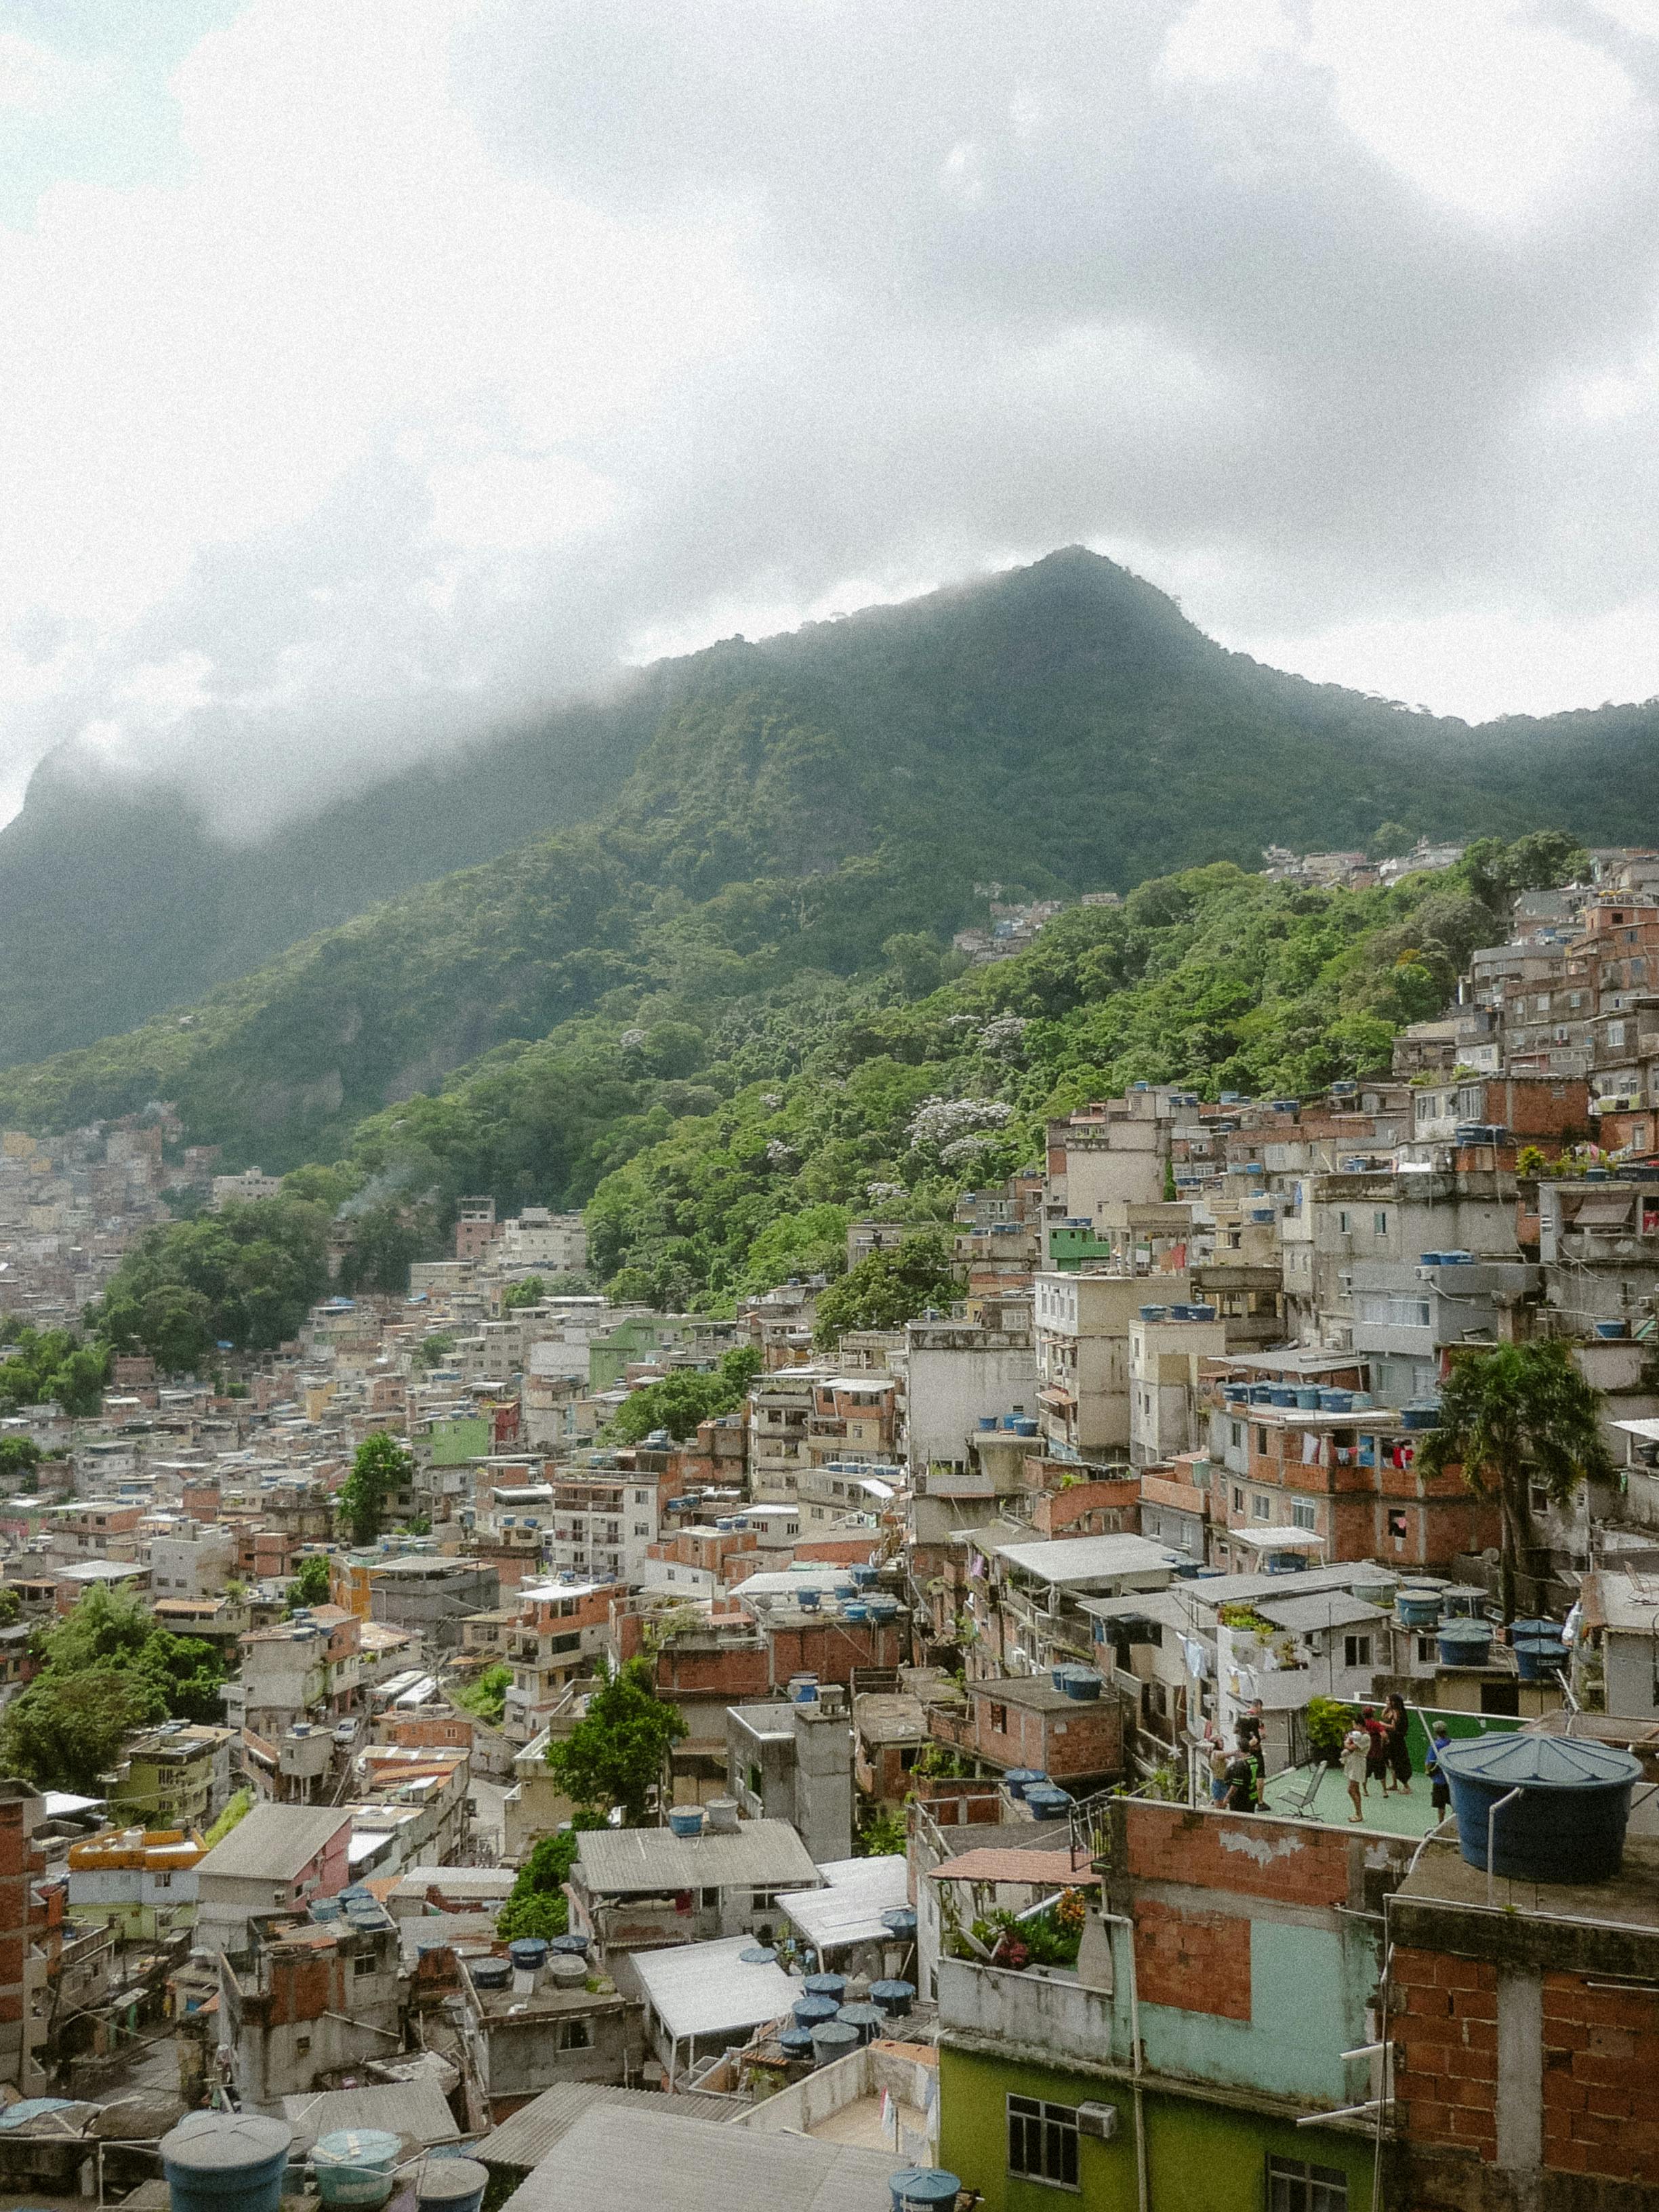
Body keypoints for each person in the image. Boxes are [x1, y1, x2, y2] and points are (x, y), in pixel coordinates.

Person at [1384, 1692, 1414, 1794]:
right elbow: (1384, 1715)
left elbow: (1393, 1727)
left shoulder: (1397, 1713)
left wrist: (1381, 1725)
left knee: (1398, 1763)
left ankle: (1406, 1787)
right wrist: (1388, 1707)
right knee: (1391, 1762)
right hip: (1393, 1741)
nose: (1388, 1702)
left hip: (1396, 1742)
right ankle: (1395, 1784)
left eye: (1389, 1701)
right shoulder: (1394, 1711)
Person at [1340, 1718, 1370, 1822]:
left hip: (1358, 1764)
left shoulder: (1365, 1737)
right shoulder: (1357, 1735)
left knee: (1351, 1789)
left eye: (1355, 1725)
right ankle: (1358, 1813)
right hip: (1353, 1762)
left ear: (1360, 1725)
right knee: (1355, 1789)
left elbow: (1350, 1747)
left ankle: (1359, 1814)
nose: (1354, 1728)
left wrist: (1347, 1742)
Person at [1426, 1722, 1452, 1820]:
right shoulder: (1451, 1743)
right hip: (1451, 1779)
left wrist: (1429, 1772)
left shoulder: (1435, 1746)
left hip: (1439, 1780)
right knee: (1453, 1803)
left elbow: (1429, 1763)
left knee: (1441, 1805)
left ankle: (1441, 1823)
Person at [1361, 1705, 1389, 1795]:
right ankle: (1384, 1791)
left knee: (1365, 1773)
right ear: (1372, 1714)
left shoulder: (1362, 1725)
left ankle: (1365, 1791)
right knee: (1381, 1773)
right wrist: (1386, 1741)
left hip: (1365, 1754)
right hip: (1377, 1753)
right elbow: (1384, 1735)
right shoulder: (1376, 1724)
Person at [1207, 1738, 1231, 1805]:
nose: (1223, 1742)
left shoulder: (1213, 1753)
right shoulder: (1217, 1753)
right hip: (1220, 1782)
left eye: (1223, 1740)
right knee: (1221, 1804)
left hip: (1222, 1781)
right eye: (1220, 1740)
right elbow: (1231, 1753)